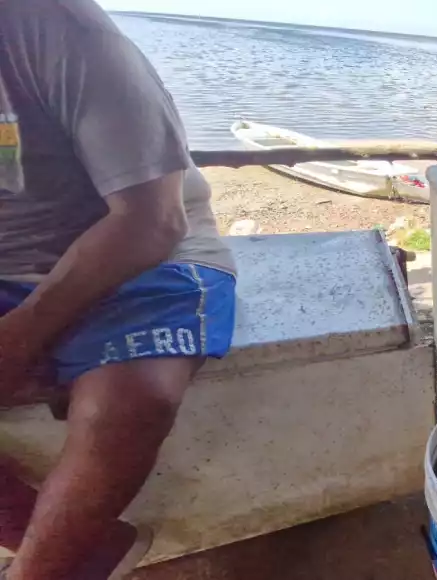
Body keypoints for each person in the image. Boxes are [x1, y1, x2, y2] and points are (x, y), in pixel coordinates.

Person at [0, 0, 236, 578]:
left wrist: (21, 337)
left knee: (130, 400)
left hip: (141, 251)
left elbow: (152, 221)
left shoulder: (59, 29)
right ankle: (64, 538)